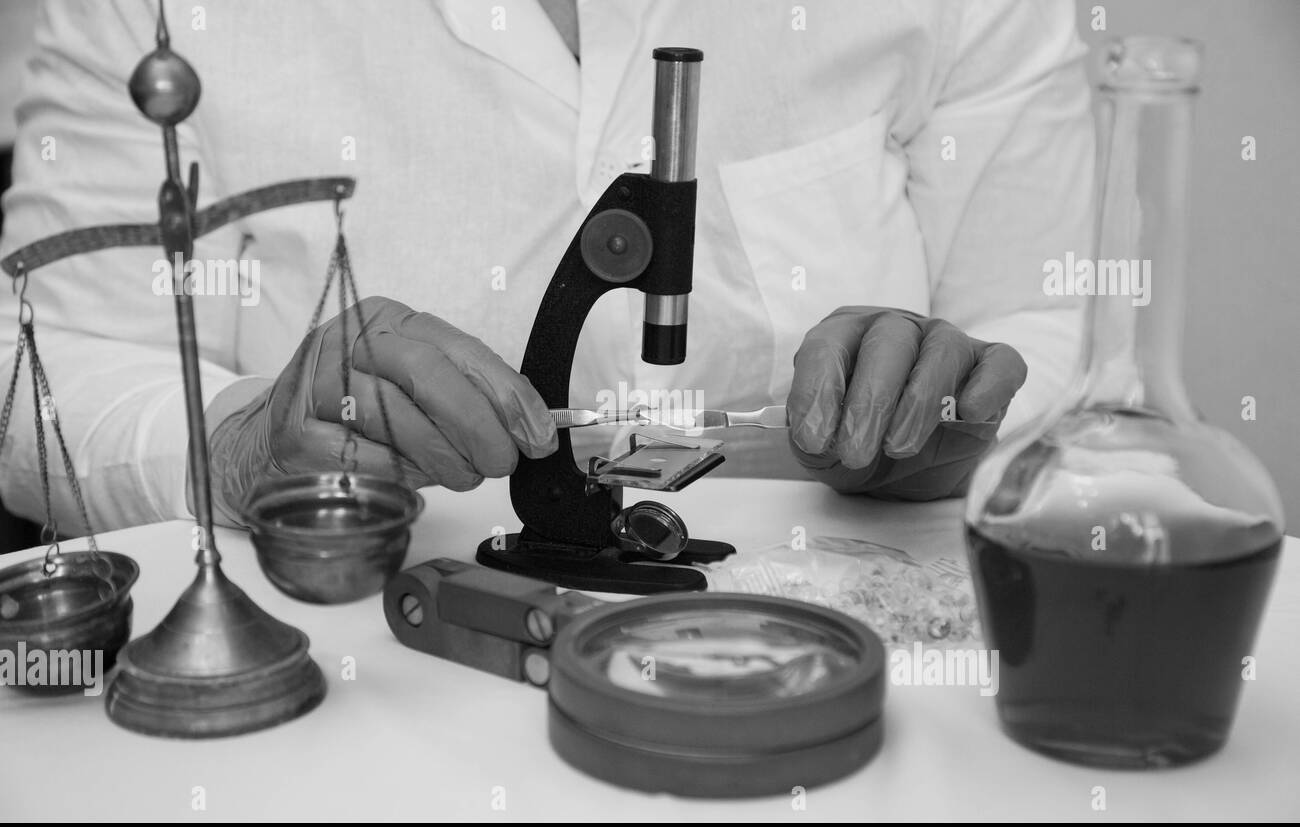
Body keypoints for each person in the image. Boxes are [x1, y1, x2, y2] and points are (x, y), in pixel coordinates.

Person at [0, 0, 1094, 534]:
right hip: (349, 705)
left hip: (809, 674)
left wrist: (941, 422)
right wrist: (237, 448)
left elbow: (1042, 325)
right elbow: (45, 355)